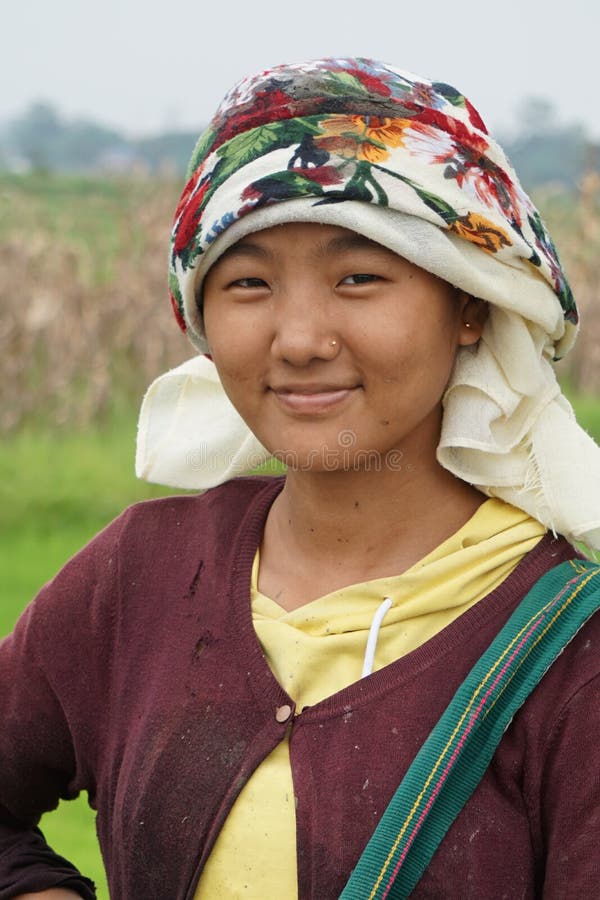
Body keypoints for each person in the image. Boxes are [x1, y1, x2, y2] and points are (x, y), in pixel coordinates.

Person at [2, 57, 600, 900]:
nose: (299, 340)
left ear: (471, 304)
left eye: (359, 277)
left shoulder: (573, 653)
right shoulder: (140, 576)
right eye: (249, 283)